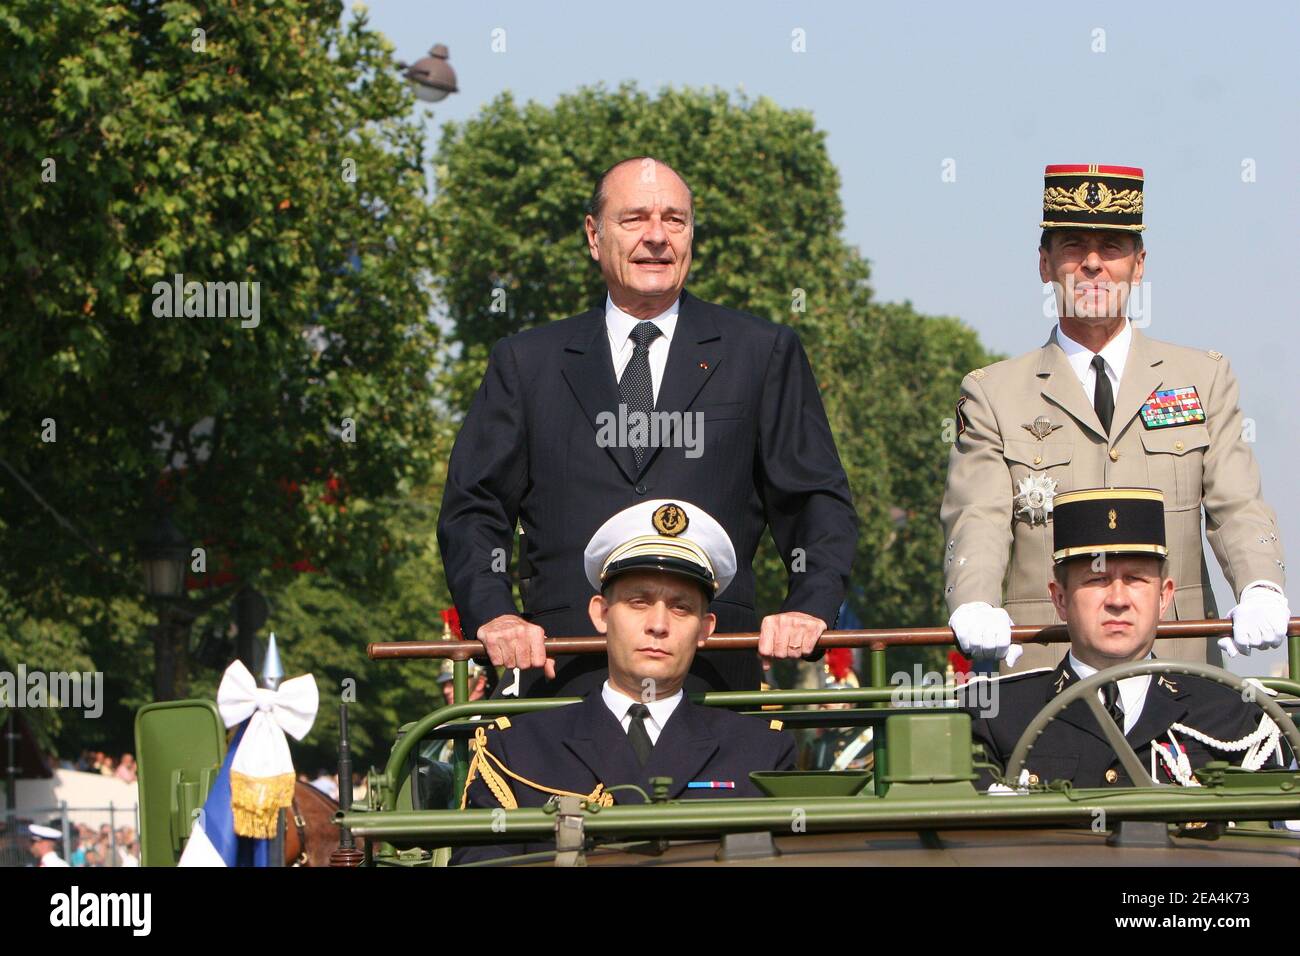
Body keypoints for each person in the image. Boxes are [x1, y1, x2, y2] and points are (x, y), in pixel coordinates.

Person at [438, 156, 857, 696]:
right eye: (634, 219)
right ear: (594, 235)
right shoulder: (526, 363)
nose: (657, 237)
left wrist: (809, 607)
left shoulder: (763, 353)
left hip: (713, 681)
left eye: (675, 220)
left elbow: (816, 500)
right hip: (565, 679)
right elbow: (474, 507)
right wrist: (495, 616)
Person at [941, 164, 1288, 673]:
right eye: (1074, 247)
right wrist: (973, 599)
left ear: (1139, 264)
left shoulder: (1202, 378)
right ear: (1044, 264)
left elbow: (1236, 504)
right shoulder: (995, 394)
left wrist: (1260, 585)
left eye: (1112, 247)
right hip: (1045, 668)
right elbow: (979, 516)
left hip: (1178, 661)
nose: (1093, 265)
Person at [453, 499, 796, 863]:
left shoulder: (761, 752)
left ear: (705, 629)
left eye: (681, 607)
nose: (659, 625)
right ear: (600, 614)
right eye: (638, 602)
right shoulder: (518, 750)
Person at [963, 488, 1286, 789]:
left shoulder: (1228, 712)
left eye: (1134, 579)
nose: (1118, 599)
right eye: (1097, 580)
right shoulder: (1000, 716)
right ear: (1060, 599)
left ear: (1164, 596)